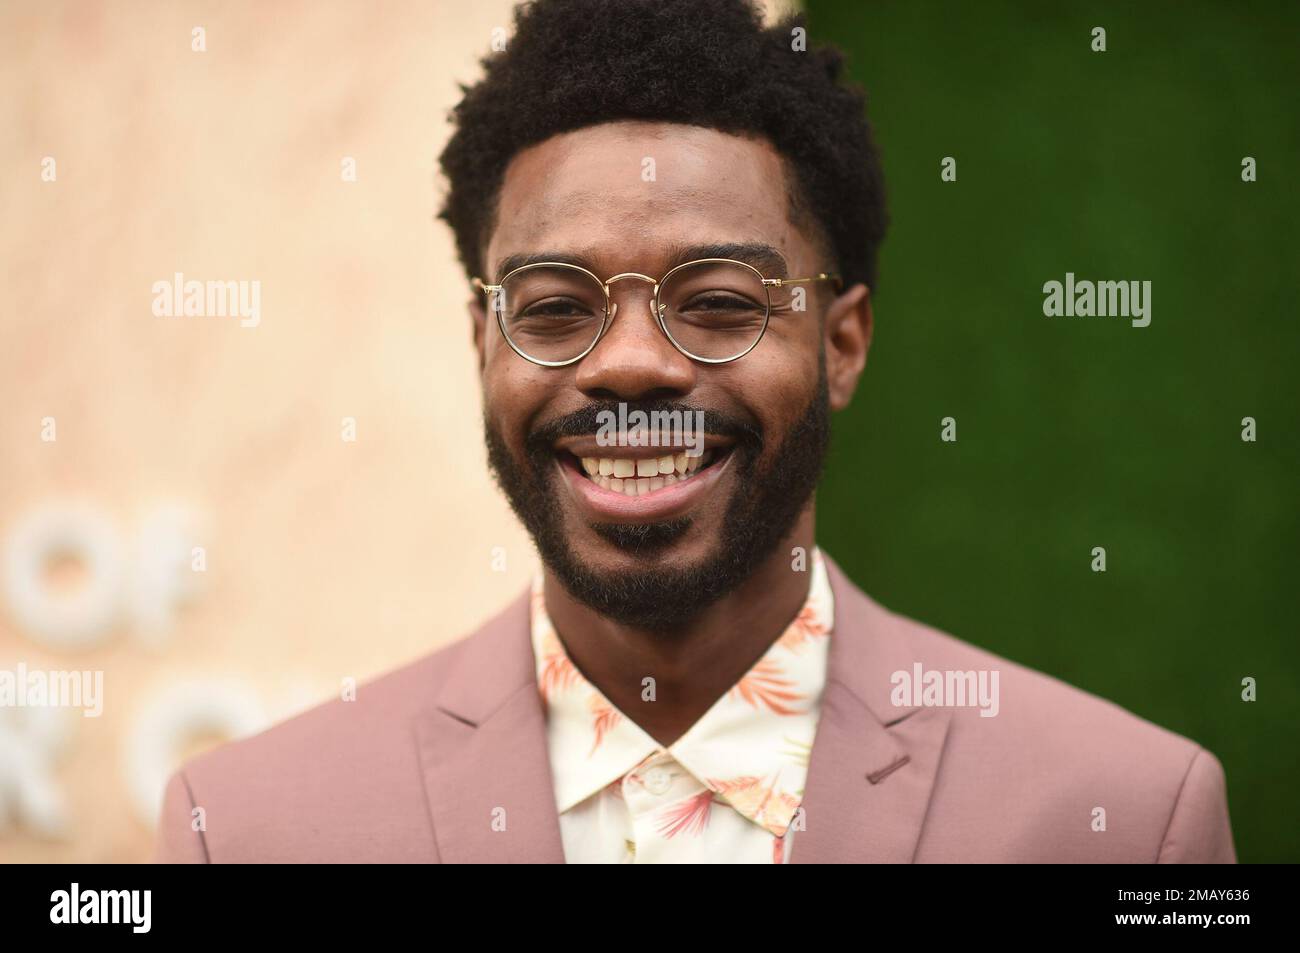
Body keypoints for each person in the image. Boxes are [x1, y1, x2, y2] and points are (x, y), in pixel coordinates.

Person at [154, 0, 1235, 863]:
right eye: (554, 307)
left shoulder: (1124, 818)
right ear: (484, 344)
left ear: (842, 343)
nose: (628, 362)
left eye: (719, 301)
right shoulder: (250, 829)